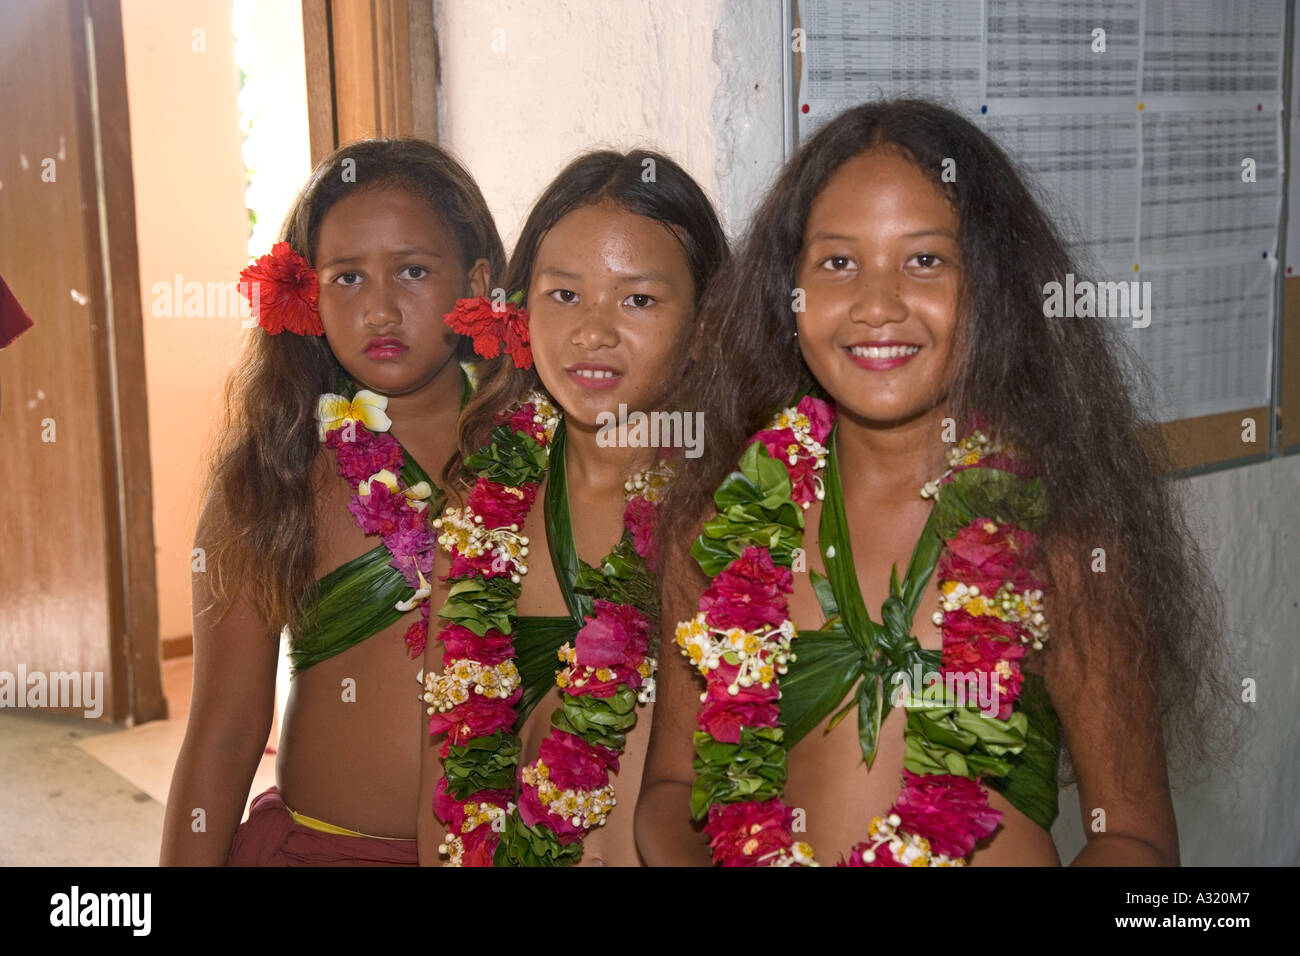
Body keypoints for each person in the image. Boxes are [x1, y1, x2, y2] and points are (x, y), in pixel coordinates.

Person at [637, 98, 1241, 866]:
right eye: (838, 262)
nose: (877, 306)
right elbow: (672, 789)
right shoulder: (722, 527)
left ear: (991, 286)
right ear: (787, 292)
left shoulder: (1060, 544)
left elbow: (1131, 835)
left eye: (924, 260)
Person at [160, 138, 504, 865]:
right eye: (347, 277)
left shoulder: (534, 453)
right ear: (306, 296)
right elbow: (223, 735)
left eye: (412, 271)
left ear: (476, 282)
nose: (380, 310)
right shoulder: (274, 471)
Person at [419, 149, 727, 865]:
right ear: (521, 311)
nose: (593, 332)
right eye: (563, 294)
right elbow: (440, 776)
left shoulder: (728, 517)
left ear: (705, 324)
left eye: (638, 300)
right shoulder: (482, 504)